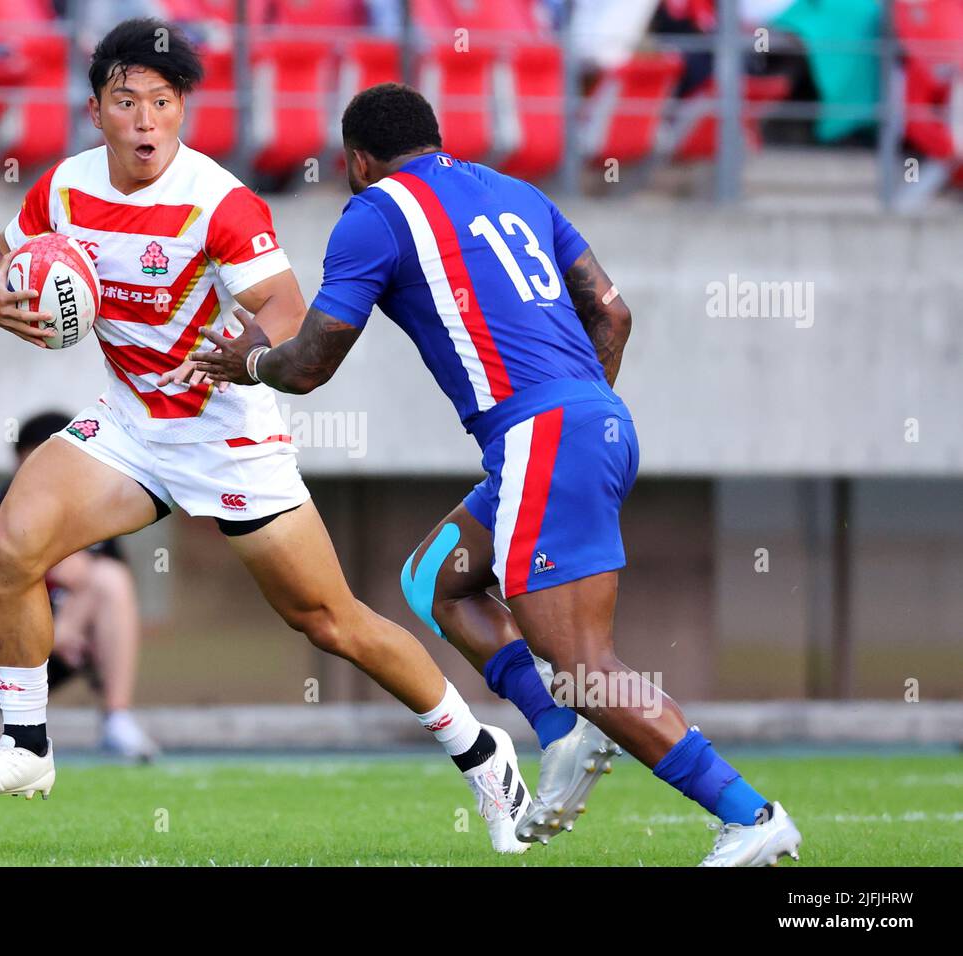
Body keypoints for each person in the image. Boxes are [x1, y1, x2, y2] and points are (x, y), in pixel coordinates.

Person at [0, 18, 531, 855]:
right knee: (10, 545)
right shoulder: (63, 189)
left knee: (328, 621)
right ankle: (28, 747)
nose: (146, 119)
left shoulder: (218, 201)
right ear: (96, 110)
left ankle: (482, 752)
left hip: (226, 435)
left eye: (164, 101)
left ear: (183, 109)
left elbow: (287, 316)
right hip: (128, 424)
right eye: (126, 101)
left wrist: (242, 357)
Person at [191, 82, 804, 867]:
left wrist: (249, 360)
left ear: (357, 160)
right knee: (433, 581)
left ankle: (747, 814)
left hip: (543, 432)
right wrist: (577, 417)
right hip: (589, 421)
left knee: (583, 661)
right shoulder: (516, 191)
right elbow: (612, 313)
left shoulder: (375, 210)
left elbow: (309, 365)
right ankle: (561, 732)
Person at [0, 411, 157, 760]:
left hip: (72, 648)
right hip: (3, 660)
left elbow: (116, 602)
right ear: (22, 461)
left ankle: (117, 719)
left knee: (110, 578)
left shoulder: (97, 511)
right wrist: (46, 573)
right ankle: (5, 734)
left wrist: (82, 591)